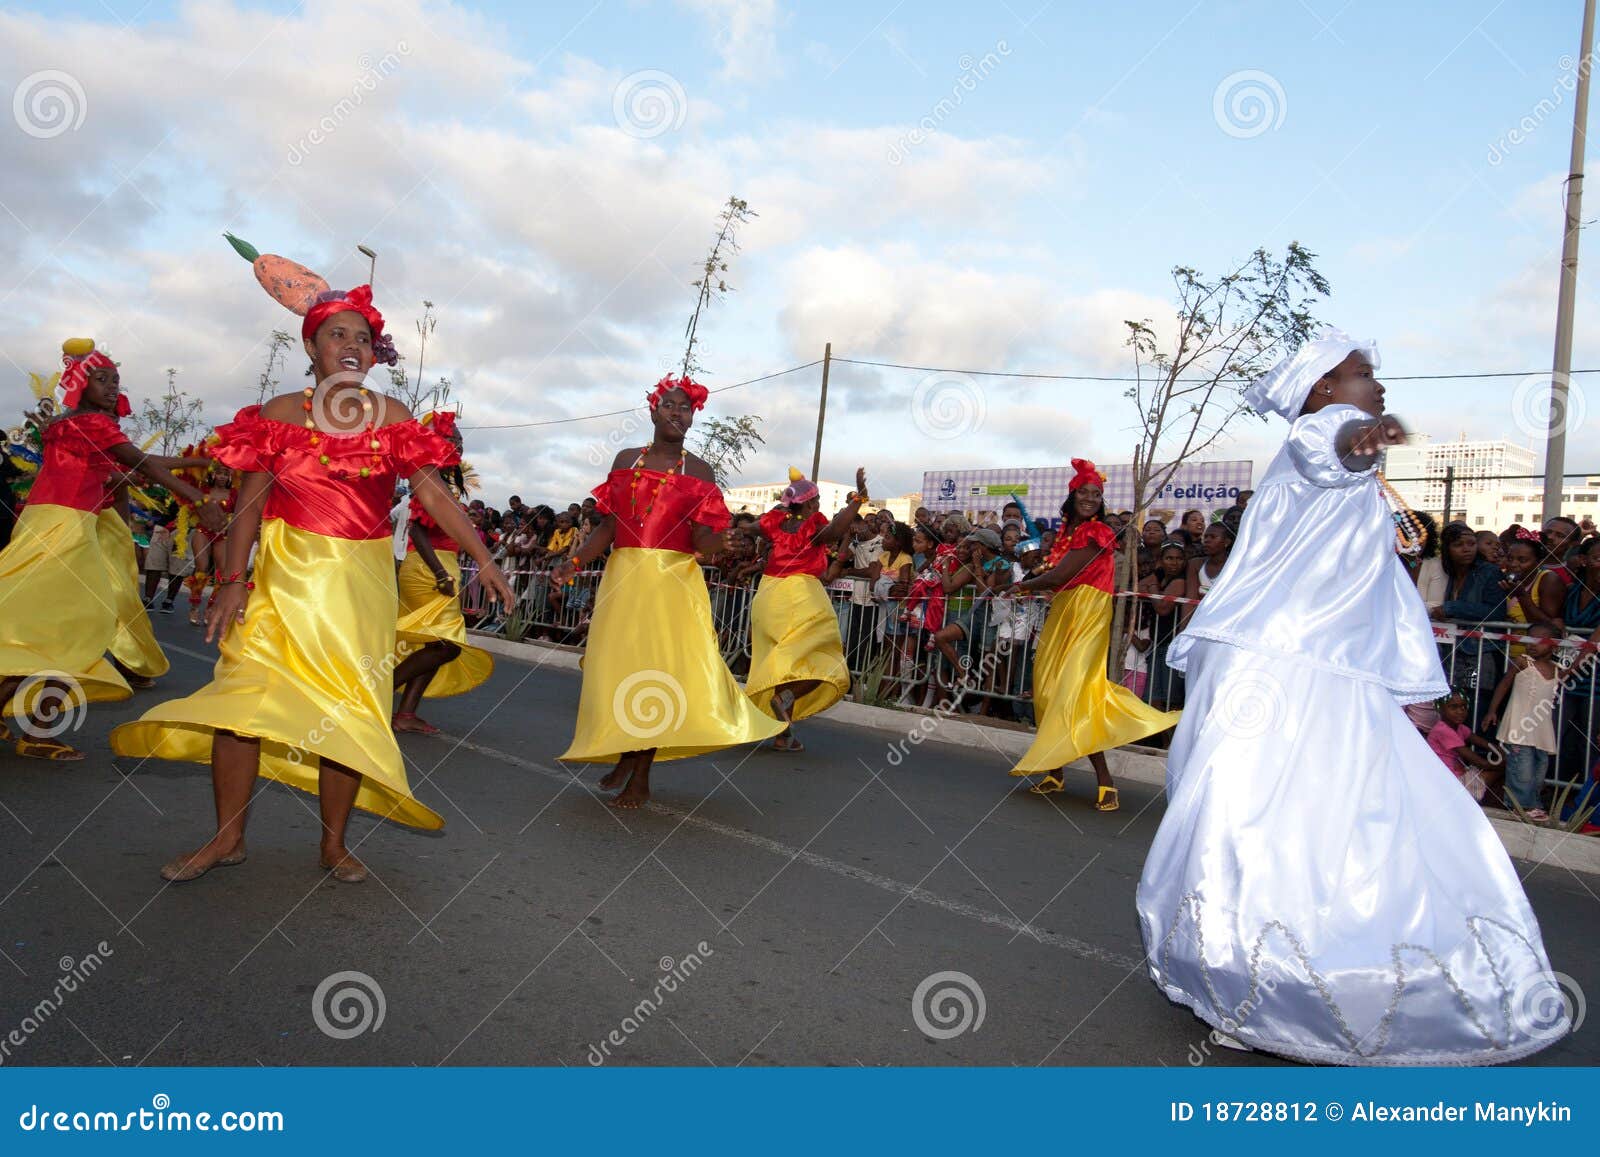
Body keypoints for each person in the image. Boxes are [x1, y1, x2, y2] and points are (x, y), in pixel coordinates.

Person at [1136, 329, 1567, 1064]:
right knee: (1289, 806)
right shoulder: (1321, 432)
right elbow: (1337, 448)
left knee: (1296, 808)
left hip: (1307, 663)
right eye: (1364, 373)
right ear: (1323, 389)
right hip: (1288, 665)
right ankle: (1272, 967)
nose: (1379, 384)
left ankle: (1263, 965)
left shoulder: (1321, 455)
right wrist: (1373, 431)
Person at [112, 283, 514, 881]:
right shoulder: (278, 414)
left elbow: (432, 492)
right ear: (313, 347)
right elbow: (250, 504)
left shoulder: (395, 418)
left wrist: (483, 558)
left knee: (345, 712)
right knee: (240, 703)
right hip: (281, 581)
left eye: (362, 338)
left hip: (358, 588)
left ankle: (334, 845)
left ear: (375, 355)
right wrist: (231, 580)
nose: (352, 346)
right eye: (337, 335)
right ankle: (227, 839)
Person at [552, 375, 784, 808]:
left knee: (655, 674)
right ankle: (626, 756)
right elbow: (608, 526)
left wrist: (725, 541)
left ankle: (640, 775)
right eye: (670, 406)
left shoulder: (699, 471)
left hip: (671, 584)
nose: (678, 414)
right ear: (653, 410)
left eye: (686, 409)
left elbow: (703, 541)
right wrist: (575, 562)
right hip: (624, 579)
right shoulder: (624, 460)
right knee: (620, 669)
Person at [0, 339, 225, 759]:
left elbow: (136, 460)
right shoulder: (90, 424)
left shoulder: (76, 425)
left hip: (51, 524)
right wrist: (197, 500)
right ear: (81, 384)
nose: (110, 386)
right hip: (64, 530)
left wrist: (194, 465)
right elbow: (139, 462)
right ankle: (39, 733)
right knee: (73, 628)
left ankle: (27, 723)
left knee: (33, 623)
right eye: (101, 379)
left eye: (115, 381)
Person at [1006, 459, 1178, 810]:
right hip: (1066, 608)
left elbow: (1059, 575)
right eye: (1084, 492)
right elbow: (1058, 576)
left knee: (1077, 692)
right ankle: (1055, 772)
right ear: (1072, 496)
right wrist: (1037, 579)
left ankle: (1106, 782)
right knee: (1049, 687)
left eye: (1096, 494)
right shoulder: (1070, 533)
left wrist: (1024, 586)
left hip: (1089, 611)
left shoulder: (1096, 531)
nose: (1090, 498)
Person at [743, 466, 863, 752]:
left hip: (768, 594)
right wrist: (858, 499)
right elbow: (835, 528)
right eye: (817, 500)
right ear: (808, 503)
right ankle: (785, 699)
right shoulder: (811, 525)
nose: (819, 504)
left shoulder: (774, 521)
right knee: (826, 660)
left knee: (784, 665)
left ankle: (783, 734)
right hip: (799, 596)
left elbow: (747, 527)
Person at [391, 411, 495, 735]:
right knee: (446, 645)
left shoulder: (445, 479)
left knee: (435, 646)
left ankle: (405, 713)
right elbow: (419, 531)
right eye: (453, 438)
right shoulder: (429, 477)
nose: (459, 445)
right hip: (428, 566)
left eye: (460, 440)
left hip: (438, 565)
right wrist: (439, 573)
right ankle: (377, 692)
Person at [1428, 521, 1507, 727]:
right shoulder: (1450, 573)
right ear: (1447, 548)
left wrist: (1453, 608)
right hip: (1453, 652)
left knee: (1476, 707)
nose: (1466, 549)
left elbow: (1496, 610)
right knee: (1452, 707)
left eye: (1471, 543)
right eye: (1458, 544)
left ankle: (1477, 753)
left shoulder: (1489, 571)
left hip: (1481, 652)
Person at [1483, 623, 1563, 820]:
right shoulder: (1522, 662)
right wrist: (1492, 710)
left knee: (1538, 770)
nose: (1532, 644)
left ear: (1554, 645)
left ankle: (1532, 804)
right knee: (1521, 769)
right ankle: (1520, 806)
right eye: (1529, 640)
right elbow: (1504, 685)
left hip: (1541, 730)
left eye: (1539, 640)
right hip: (1520, 727)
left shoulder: (1557, 670)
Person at [1426, 691, 1502, 803]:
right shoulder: (1443, 730)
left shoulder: (1460, 728)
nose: (1460, 711)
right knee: (1497, 772)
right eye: (1454, 707)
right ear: (1440, 709)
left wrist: (1501, 752)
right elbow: (1480, 763)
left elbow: (1485, 744)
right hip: (1447, 782)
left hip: (1457, 775)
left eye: (1464, 707)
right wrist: (1504, 764)